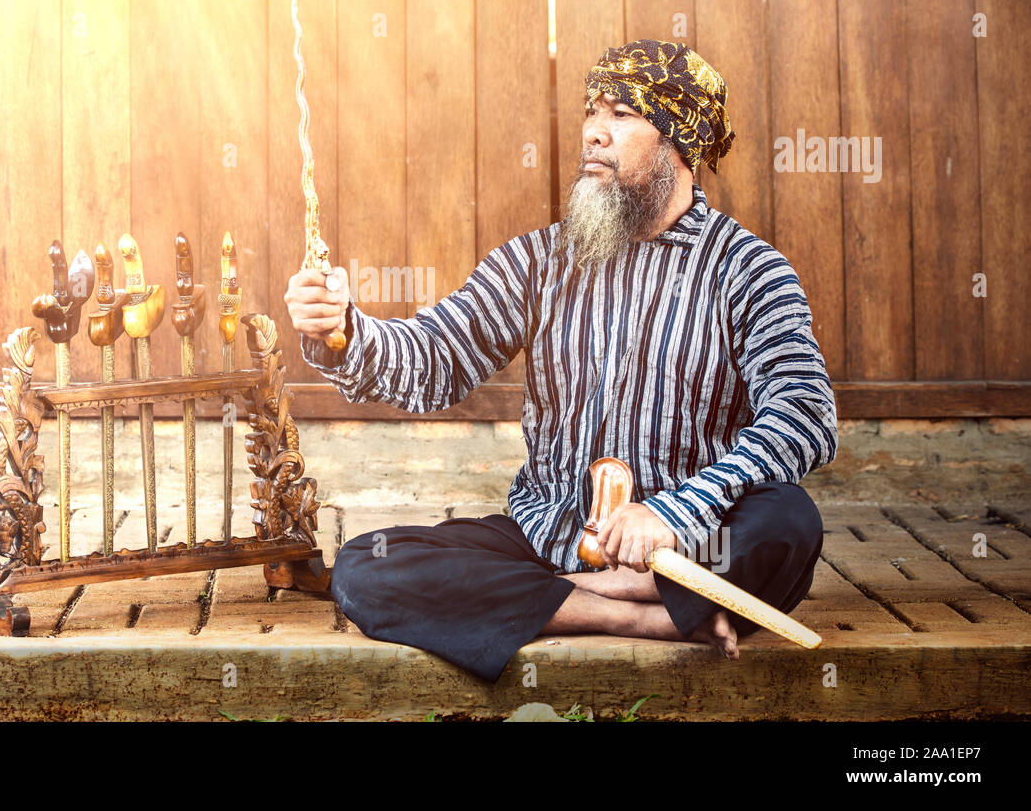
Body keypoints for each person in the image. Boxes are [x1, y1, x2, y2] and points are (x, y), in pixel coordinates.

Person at [284, 39, 837, 683]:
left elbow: (804, 415)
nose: (594, 133)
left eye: (623, 114)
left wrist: (672, 514)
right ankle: (641, 615)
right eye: (592, 112)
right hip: (549, 544)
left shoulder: (748, 270)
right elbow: (435, 357)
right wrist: (345, 331)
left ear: (680, 141)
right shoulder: (540, 260)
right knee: (365, 566)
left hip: (692, 546)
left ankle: (628, 596)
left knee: (789, 522)